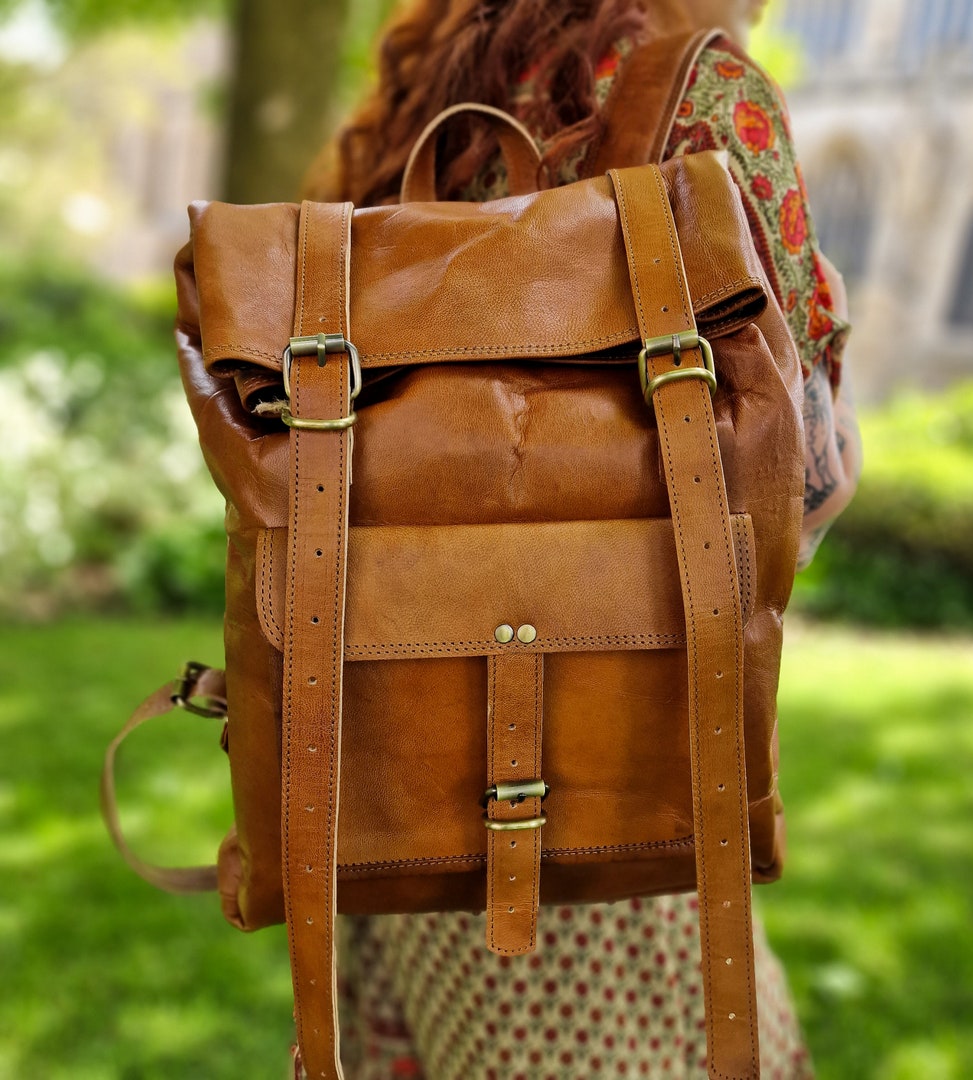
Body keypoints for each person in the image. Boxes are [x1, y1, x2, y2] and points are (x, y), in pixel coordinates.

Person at [300, 1, 862, 1076]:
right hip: (614, 779)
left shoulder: (432, 95)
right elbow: (803, 490)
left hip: (392, 759)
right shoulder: (704, 95)